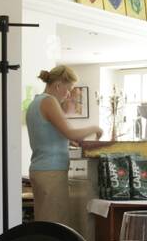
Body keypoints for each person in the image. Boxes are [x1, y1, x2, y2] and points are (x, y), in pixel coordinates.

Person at [26, 66, 101, 229]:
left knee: (44, 221)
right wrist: (95, 128)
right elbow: (71, 133)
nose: (68, 95)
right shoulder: (49, 101)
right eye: (68, 90)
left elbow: (46, 136)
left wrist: (67, 141)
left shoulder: (35, 102)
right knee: (55, 225)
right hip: (51, 173)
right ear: (58, 85)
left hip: (40, 170)